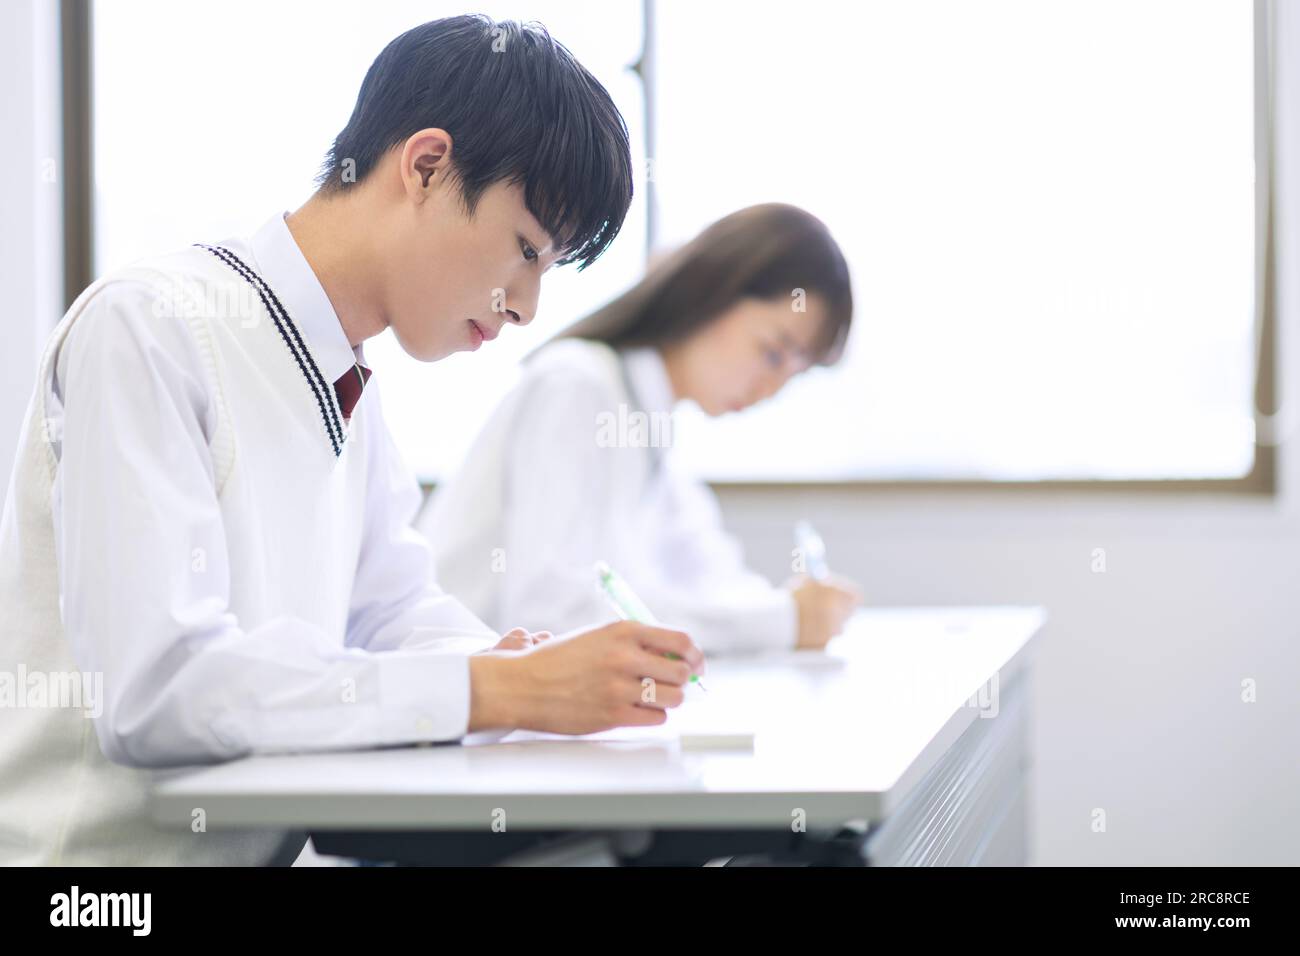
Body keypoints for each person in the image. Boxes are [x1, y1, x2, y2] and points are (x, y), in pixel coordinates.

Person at [0, 15, 703, 866]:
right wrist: (488, 686)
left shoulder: (344, 382)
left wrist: (515, 664)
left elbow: (394, 610)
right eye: (524, 250)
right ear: (427, 165)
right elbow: (159, 692)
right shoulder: (151, 328)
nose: (526, 306)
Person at [421, 203, 862, 657]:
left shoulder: (649, 428)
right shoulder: (579, 388)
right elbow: (556, 616)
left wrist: (794, 611)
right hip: (452, 709)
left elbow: (711, 577)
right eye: (772, 353)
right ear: (710, 291)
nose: (771, 390)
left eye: (795, 373)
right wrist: (785, 621)